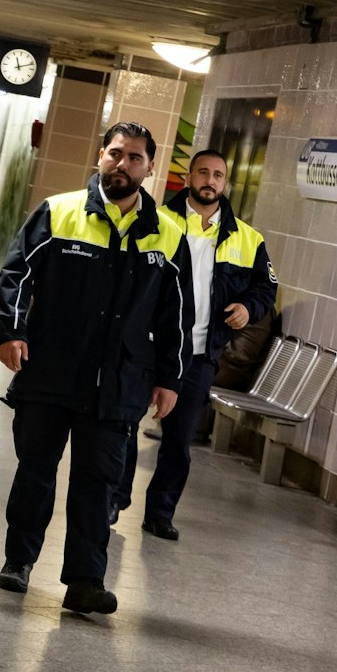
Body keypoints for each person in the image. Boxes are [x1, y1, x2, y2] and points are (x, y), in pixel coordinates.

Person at [0, 123, 191, 616]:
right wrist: (11, 331)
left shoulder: (168, 234)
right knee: (35, 470)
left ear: (149, 168)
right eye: (115, 154)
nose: (123, 165)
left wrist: (171, 378)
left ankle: (85, 581)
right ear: (101, 155)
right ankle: (18, 560)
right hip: (51, 370)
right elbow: (16, 272)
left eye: (135, 158)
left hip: (119, 381)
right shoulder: (59, 212)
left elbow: (178, 315)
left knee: (98, 480)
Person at [114, 150, 277, 539]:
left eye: (218, 175)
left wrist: (248, 308)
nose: (210, 180)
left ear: (226, 184)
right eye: (203, 172)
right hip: (149, 348)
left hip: (200, 353)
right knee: (124, 426)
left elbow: (266, 287)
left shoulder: (247, 238)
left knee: (179, 441)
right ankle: (114, 499)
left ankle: (160, 513)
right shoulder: (157, 221)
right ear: (188, 178)